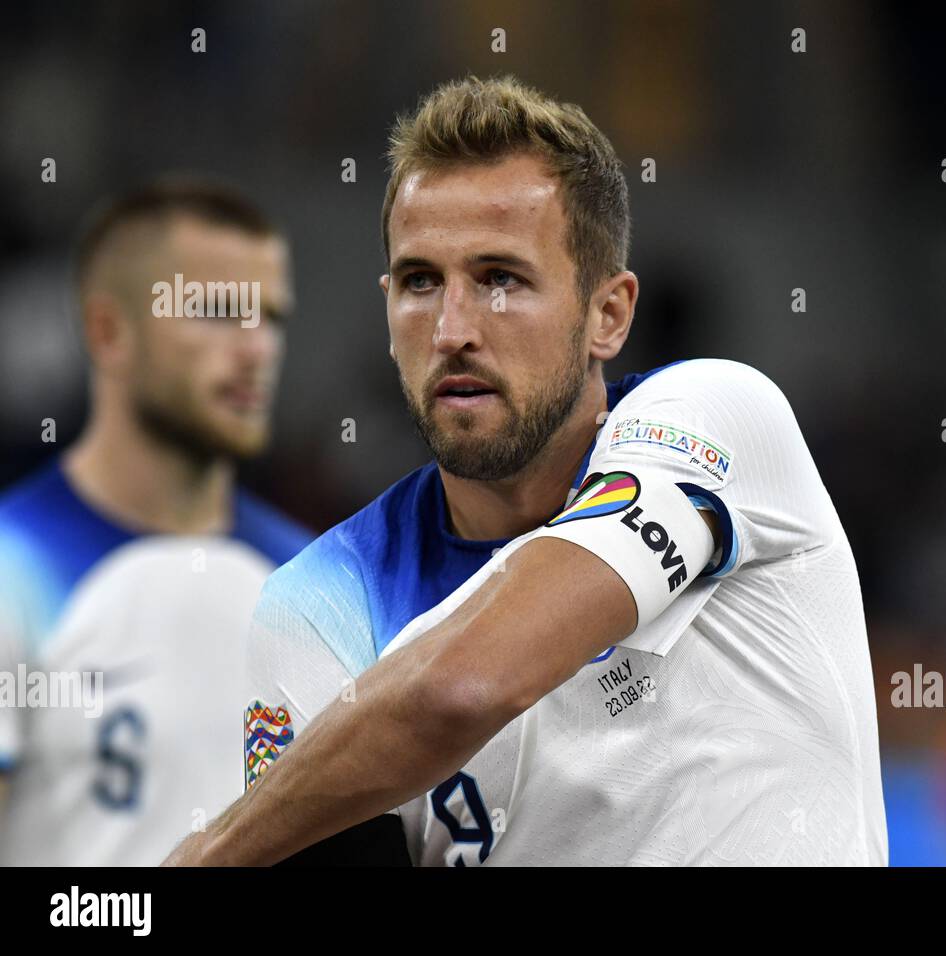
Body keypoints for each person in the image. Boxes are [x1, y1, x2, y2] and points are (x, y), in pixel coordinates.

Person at [168, 74, 887, 867]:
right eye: (419, 282)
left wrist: (210, 855)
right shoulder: (313, 606)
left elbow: (465, 686)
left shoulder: (721, 422)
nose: (452, 329)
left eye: (500, 279)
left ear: (608, 314)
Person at [0, 177, 312, 865]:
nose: (257, 348)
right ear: (109, 331)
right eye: (220, 312)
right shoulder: (12, 570)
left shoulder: (313, 582)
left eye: (273, 318)